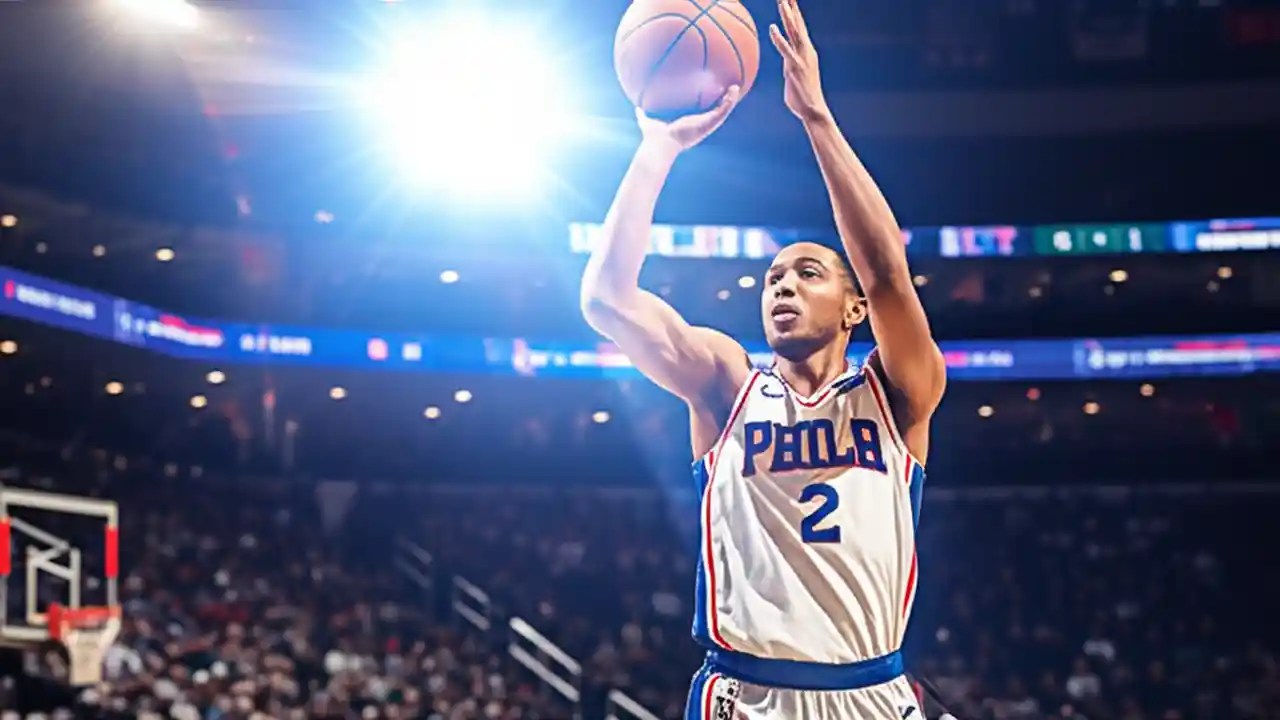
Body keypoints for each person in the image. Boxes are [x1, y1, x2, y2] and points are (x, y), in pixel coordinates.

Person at [580, 0, 947, 716]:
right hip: (747, 695)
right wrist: (656, 149)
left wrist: (816, 117)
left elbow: (887, 272)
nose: (783, 284)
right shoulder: (726, 386)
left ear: (852, 309)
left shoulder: (898, 395)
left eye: (808, 273)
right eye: (773, 277)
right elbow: (605, 299)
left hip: (871, 691)